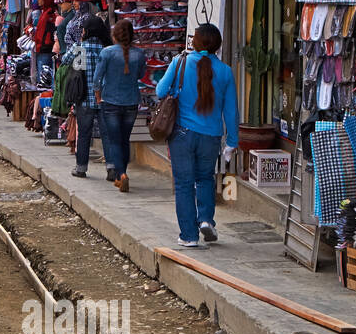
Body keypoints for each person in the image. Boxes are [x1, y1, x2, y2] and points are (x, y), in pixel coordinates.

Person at [155, 23, 239, 249]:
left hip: (182, 133)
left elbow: (160, 91)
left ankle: (189, 236)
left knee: (183, 184)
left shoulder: (180, 62)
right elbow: (231, 111)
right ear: (218, 46)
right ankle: (206, 220)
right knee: (205, 179)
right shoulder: (225, 71)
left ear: (195, 42)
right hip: (211, 137)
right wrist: (232, 142)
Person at [93, 19, 147, 192]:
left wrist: (98, 96)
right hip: (131, 101)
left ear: (114, 35)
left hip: (110, 101)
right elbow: (141, 74)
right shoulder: (139, 54)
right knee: (124, 140)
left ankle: (121, 174)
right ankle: (121, 173)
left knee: (114, 140)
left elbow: (97, 78)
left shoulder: (107, 53)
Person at [69, 14, 110, 178]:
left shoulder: (80, 48)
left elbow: (66, 61)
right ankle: (112, 168)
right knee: (107, 134)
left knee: (84, 134)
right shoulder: (107, 49)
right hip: (105, 99)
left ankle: (81, 168)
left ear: (87, 31)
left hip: (84, 98)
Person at [31, 0, 56, 87]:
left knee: (44, 80)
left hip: (45, 49)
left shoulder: (49, 13)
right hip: (41, 48)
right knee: (42, 78)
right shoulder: (44, 12)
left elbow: (47, 32)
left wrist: (44, 44)